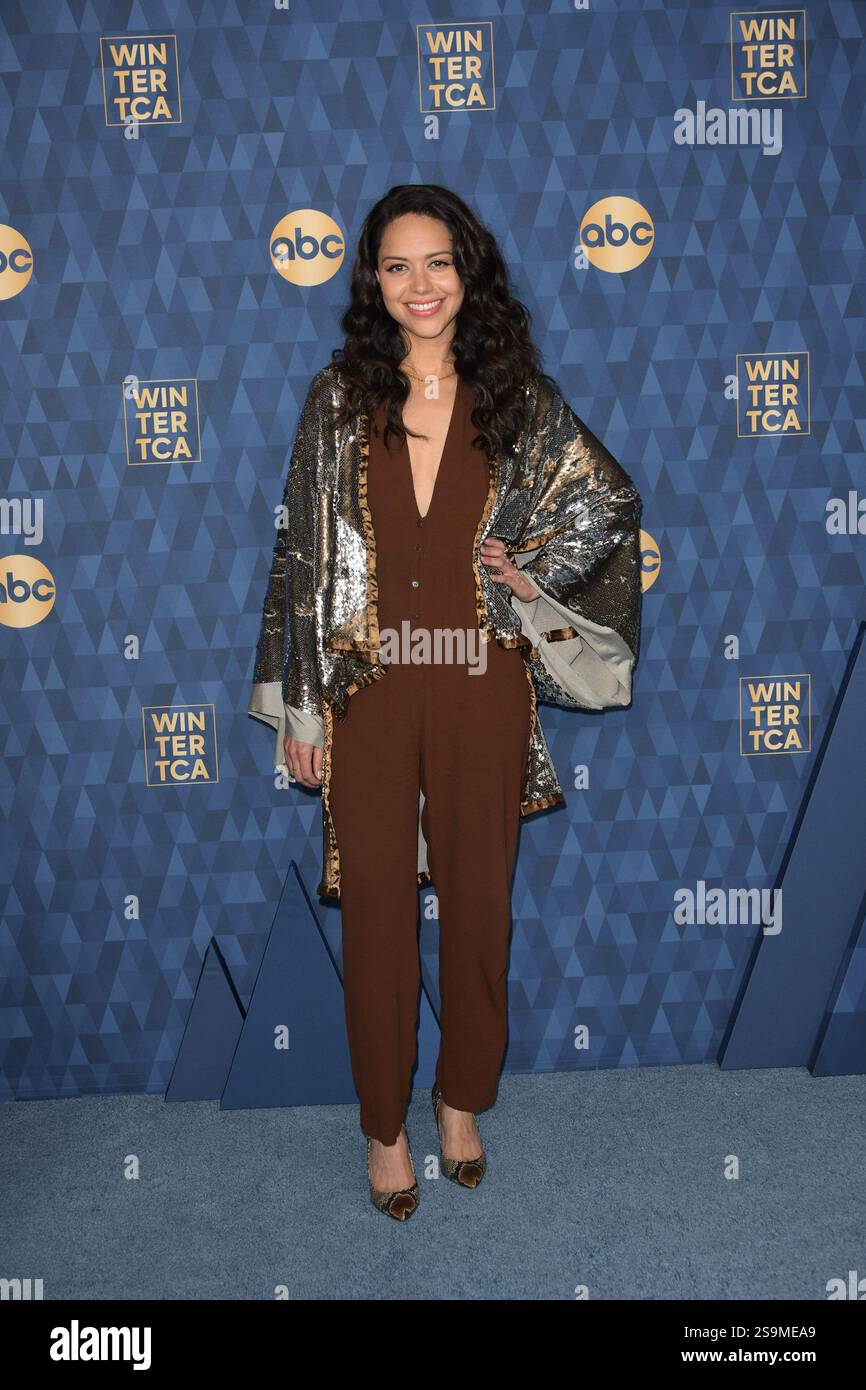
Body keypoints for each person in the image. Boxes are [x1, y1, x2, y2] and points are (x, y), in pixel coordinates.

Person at [248, 184, 643, 1221]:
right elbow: (297, 561)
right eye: (395, 265)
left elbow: (606, 500)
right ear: (372, 281)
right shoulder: (338, 400)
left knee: (478, 907)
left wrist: (528, 575)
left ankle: (460, 1098)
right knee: (376, 910)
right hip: (368, 692)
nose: (418, 285)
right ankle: (384, 1123)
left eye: (437, 263)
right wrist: (300, 712)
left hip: (481, 685)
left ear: (468, 273)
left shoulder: (518, 396)